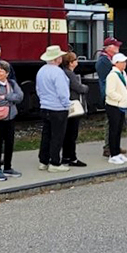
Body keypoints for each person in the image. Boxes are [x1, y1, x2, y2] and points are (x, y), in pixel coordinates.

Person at [0, 60, 24, 182]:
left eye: (1, 70)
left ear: (7, 73)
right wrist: (11, 101)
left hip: (10, 118)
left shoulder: (12, 83)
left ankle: (8, 167)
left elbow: (20, 96)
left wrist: (6, 97)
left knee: (9, 143)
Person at [35, 45, 71, 173]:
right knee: (57, 136)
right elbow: (62, 92)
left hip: (45, 106)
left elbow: (38, 90)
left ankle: (43, 161)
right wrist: (67, 104)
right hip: (58, 108)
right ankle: (55, 162)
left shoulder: (41, 71)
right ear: (57, 59)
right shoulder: (58, 72)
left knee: (46, 135)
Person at [96, 37, 127, 158]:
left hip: (115, 96)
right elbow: (107, 81)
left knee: (116, 123)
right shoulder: (104, 61)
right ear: (109, 48)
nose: (118, 47)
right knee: (111, 123)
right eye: (116, 46)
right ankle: (108, 147)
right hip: (110, 97)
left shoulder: (107, 60)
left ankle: (114, 145)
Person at [61, 52, 89, 167]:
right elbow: (78, 87)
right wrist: (85, 87)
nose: (77, 62)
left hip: (65, 105)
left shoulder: (63, 73)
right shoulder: (70, 74)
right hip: (73, 105)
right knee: (72, 133)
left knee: (67, 132)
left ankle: (66, 156)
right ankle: (71, 157)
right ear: (71, 63)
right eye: (75, 60)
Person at [104, 53, 127, 164]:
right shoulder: (112, 75)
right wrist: (120, 99)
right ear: (116, 63)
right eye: (122, 62)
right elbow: (110, 92)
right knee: (113, 130)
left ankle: (117, 152)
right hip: (114, 105)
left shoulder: (122, 73)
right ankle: (113, 154)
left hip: (121, 105)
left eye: (125, 62)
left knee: (118, 130)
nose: (124, 64)